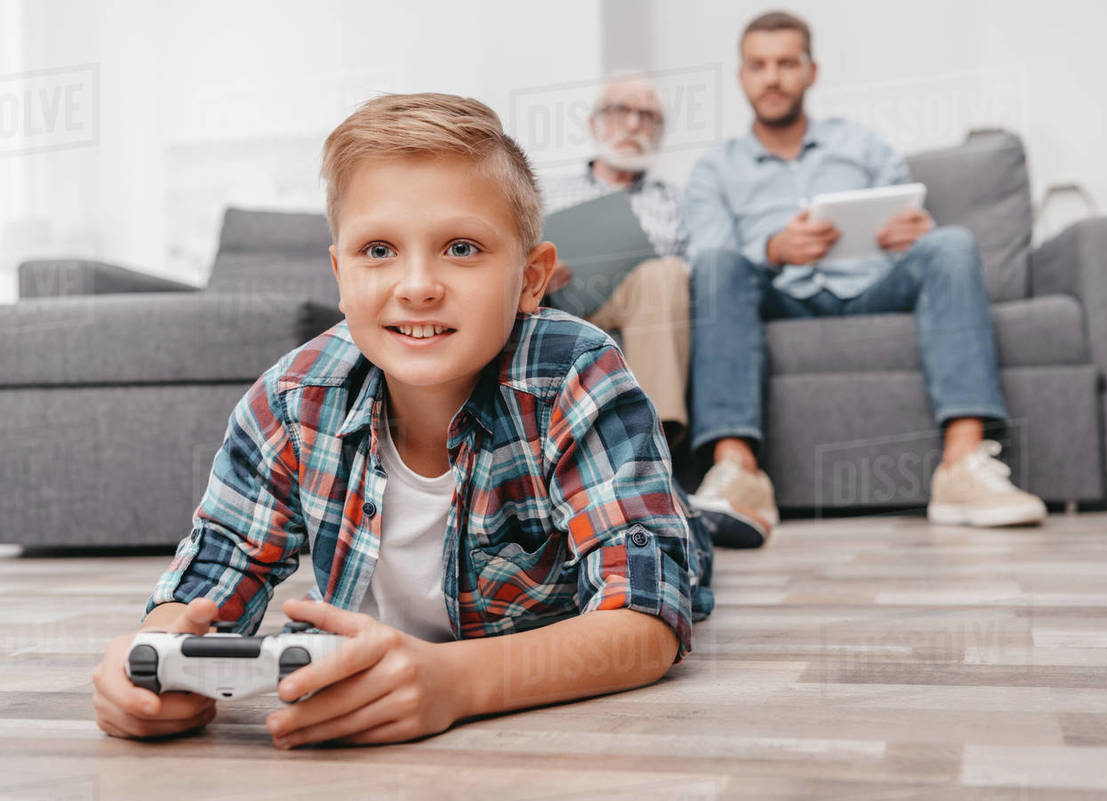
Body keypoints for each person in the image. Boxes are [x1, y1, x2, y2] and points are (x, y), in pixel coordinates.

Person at [90, 93, 716, 748]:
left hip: (624, 532)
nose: (416, 284)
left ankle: (697, 510)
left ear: (531, 279)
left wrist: (459, 683)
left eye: (462, 247)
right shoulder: (288, 400)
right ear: (340, 272)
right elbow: (212, 573)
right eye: (379, 249)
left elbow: (645, 618)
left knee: (685, 537)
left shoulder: (578, 374)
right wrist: (150, 652)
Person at [686, 10, 1047, 536]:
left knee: (951, 244)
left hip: (872, 283)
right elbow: (706, 255)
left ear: (812, 72)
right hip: (779, 292)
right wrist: (774, 247)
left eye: (787, 63)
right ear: (741, 76)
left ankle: (963, 466)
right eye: (759, 65)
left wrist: (909, 232)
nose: (773, 77)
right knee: (719, 265)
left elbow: (909, 210)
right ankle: (738, 473)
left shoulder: (862, 145)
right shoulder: (715, 168)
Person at [541, 74, 691, 448]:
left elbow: (695, 267)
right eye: (620, 110)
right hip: (562, 301)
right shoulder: (546, 192)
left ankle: (651, 443)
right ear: (593, 123)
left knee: (664, 274)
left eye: (647, 116)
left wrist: (677, 273)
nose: (634, 124)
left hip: (646, 307)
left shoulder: (676, 201)